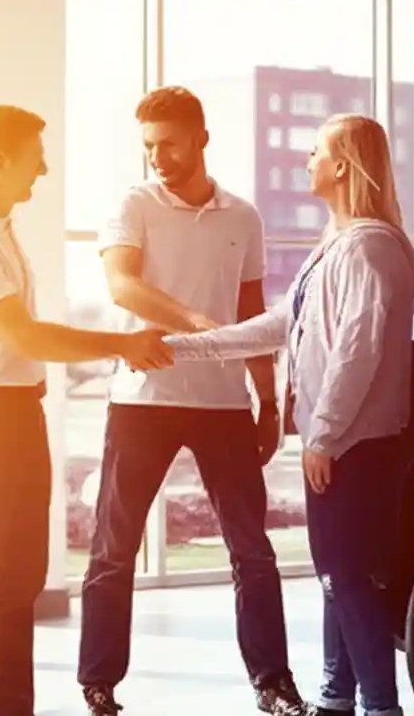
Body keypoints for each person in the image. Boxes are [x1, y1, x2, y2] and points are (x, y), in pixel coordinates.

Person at [166, 113, 414, 716]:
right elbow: (279, 326)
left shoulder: (369, 248)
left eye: (315, 152)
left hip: (357, 446)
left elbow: (357, 351)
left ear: (343, 167)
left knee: (346, 578)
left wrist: (324, 435)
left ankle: (380, 707)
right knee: (340, 576)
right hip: (345, 442)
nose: (307, 161)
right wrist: (182, 347)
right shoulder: (336, 247)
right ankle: (336, 697)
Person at [0, 104, 172, 716]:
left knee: (19, 576)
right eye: (34, 158)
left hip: (16, 414)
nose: (43, 169)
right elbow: (27, 336)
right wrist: (122, 345)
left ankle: (11, 708)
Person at [77, 86, 307, 716]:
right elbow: (122, 286)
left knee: (252, 551)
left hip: (223, 404)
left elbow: (252, 313)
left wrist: (267, 398)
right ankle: (98, 684)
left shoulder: (243, 218)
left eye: (169, 143)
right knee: (114, 548)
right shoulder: (133, 205)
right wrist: (194, 322)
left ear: (202, 137)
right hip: (142, 399)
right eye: (149, 146)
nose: (158, 157)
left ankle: (273, 684)